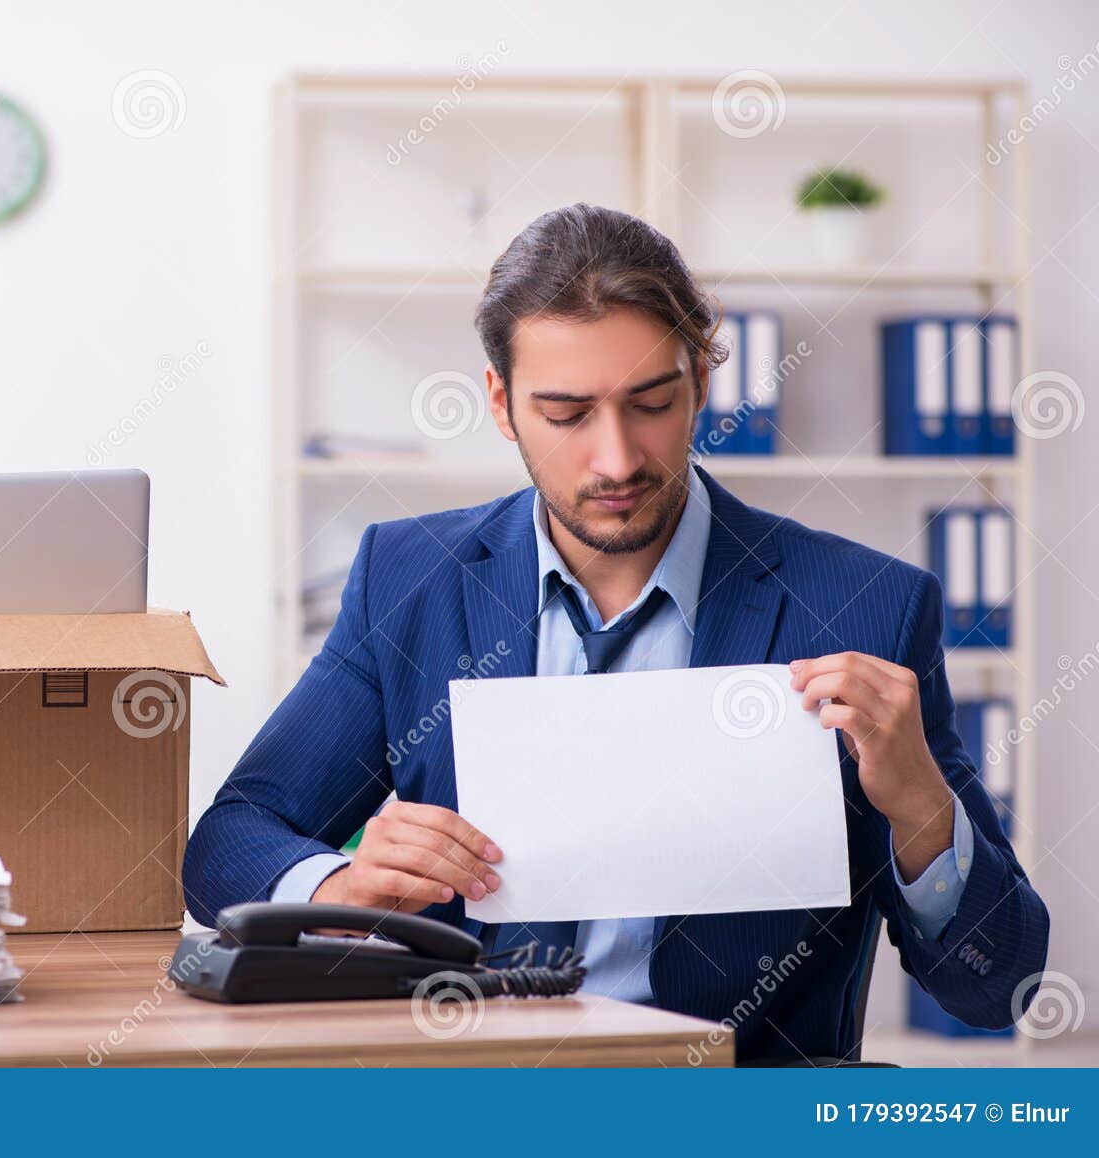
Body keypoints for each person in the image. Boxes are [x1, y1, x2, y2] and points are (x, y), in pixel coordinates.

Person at [183, 203, 1048, 1063]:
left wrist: (921, 805)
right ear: (501, 404)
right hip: (471, 1090)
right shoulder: (410, 580)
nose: (618, 460)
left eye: (652, 403)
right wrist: (341, 885)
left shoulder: (867, 606)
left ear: (700, 383)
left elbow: (994, 989)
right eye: (566, 414)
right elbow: (231, 839)